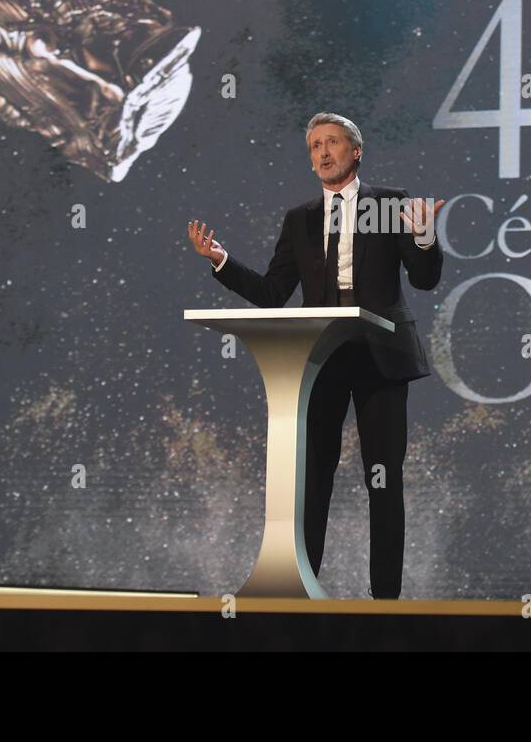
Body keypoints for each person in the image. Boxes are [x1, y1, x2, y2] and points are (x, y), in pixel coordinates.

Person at [188, 113, 445, 599]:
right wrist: (221, 261)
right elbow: (272, 292)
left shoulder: (388, 204)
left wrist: (425, 238)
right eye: (314, 147)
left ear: (356, 151)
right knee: (312, 478)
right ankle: (301, 593)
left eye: (332, 143)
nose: (322, 153)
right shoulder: (300, 218)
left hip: (381, 355)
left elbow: (424, 279)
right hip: (320, 358)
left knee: (383, 479)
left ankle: (386, 602)